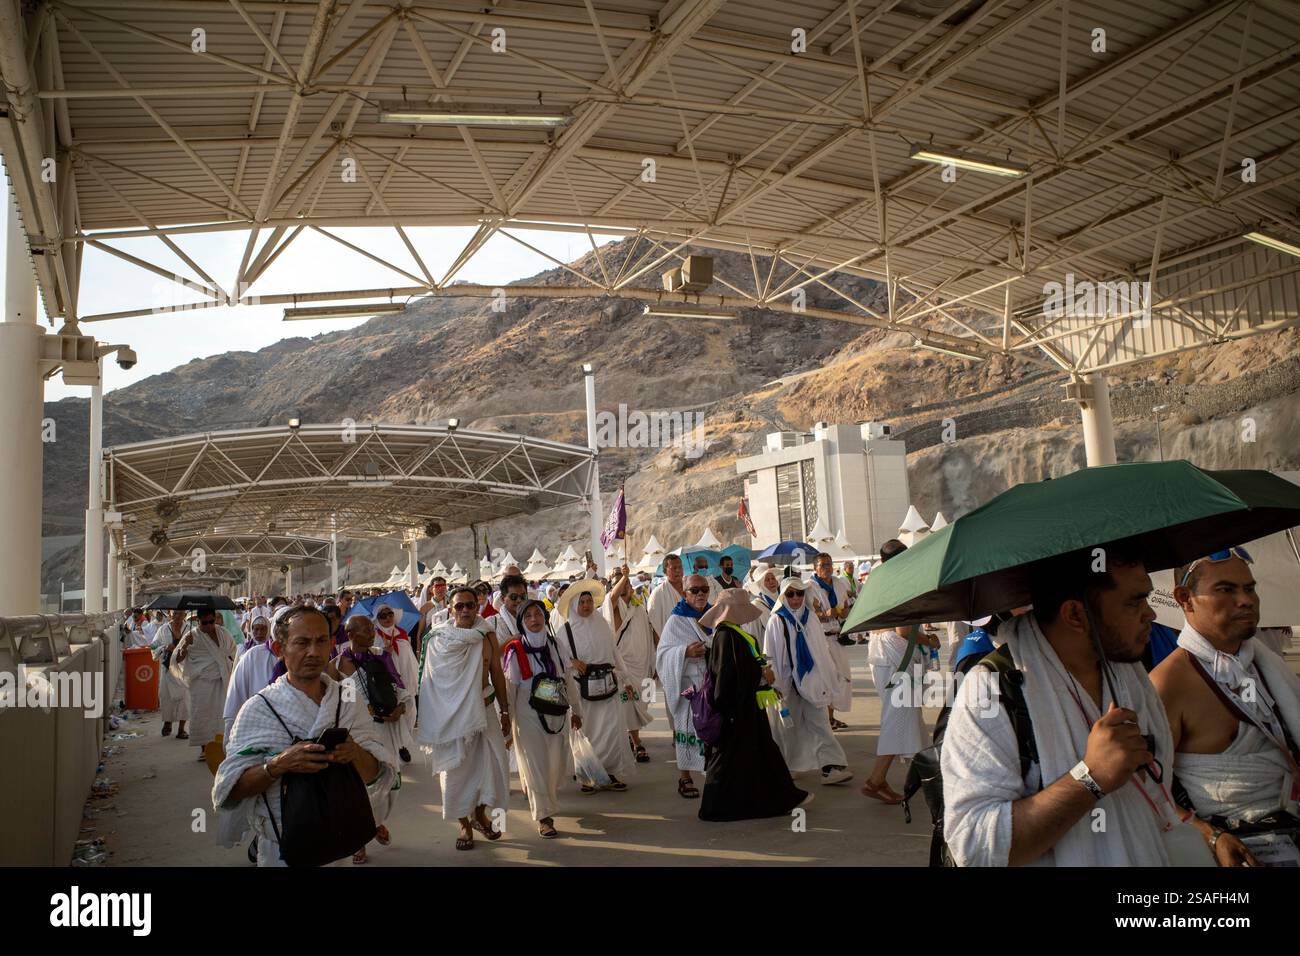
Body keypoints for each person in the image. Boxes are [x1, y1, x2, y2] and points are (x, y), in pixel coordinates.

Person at [942, 546, 1191, 866]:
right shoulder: (990, 692)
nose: (1151, 614)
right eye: (1134, 602)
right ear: (1075, 614)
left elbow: (1156, 797)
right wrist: (1090, 778)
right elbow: (974, 845)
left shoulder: (1128, 674)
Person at [212, 606, 395, 867]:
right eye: (302, 642)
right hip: (282, 849)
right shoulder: (259, 709)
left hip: (339, 842)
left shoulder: (346, 700)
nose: (313, 651)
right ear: (279, 649)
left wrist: (354, 754)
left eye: (321, 641)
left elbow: (374, 775)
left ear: (332, 644)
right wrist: (276, 767)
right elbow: (231, 789)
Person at [1151, 548, 1300, 864]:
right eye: (1225, 590)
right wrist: (1212, 836)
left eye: (1249, 588)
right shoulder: (1168, 684)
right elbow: (1146, 791)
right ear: (1184, 598)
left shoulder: (1265, 665)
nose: (1246, 599)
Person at [699, 589, 809, 820]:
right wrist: (761, 676)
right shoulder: (726, 636)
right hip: (737, 709)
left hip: (745, 705)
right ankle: (716, 807)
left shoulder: (732, 633)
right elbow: (728, 675)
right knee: (734, 757)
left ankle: (781, 797)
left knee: (757, 753)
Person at [417, 586, 512, 851]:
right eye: (460, 606)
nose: (466, 610)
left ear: (478, 606)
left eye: (470, 605)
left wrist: (505, 711)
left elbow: (496, 673)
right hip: (450, 719)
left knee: (493, 766)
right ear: (450, 609)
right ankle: (464, 824)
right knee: (454, 773)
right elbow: (432, 685)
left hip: (484, 712)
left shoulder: (486, 635)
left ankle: (479, 814)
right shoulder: (437, 638)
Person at [330, 613, 412, 862]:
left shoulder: (382, 657)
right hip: (356, 734)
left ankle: (375, 823)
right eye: (365, 629)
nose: (371, 632)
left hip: (384, 729)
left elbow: (399, 688)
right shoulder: (335, 666)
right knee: (359, 787)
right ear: (351, 634)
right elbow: (336, 705)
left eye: (371, 628)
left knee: (387, 784)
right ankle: (360, 837)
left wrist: (400, 708)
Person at [863, 540, 934, 803]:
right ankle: (875, 780)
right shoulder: (902, 582)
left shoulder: (878, 580)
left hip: (882, 654)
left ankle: (928, 774)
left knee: (909, 718)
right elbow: (905, 630)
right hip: (896, 656)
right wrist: (929, 640)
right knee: (898, 719)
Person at [763, 577, 853, 786]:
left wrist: (829, 677)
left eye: (800, 593)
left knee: (820, 723)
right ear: (784, 596)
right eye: (791, 594)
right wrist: (775, 683)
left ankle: (832, 767)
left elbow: (821, 651)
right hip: (787, 684)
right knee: (786, 727)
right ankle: (786, 765)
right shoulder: (776, 621)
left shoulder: (810, 619)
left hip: (812, 682)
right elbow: (771, 654)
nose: (795, 598)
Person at [501, 599, 579, 837]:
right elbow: (510, 689)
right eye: (528, 617)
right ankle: (543, 816)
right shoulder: (515, 651)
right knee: (536, 765)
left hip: (556, 715)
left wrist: (577, 710)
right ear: (521, 622)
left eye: (538, 615)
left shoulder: (556, 645)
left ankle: (541, 794)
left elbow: (567, 679)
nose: (534, 620)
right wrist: (508, 724)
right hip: (527, 716)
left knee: (554, 766)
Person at [557, 579, 635, 791]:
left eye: (589, 601)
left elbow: (614, 653)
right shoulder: (564, 631)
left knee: (611, 731)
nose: (586, 605)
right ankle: (586, 777)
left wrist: (626, 679)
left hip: (608, 686)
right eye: (582, 602)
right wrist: (572, 662)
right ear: (575, 605)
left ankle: (611, 774)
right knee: (586, 732)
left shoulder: (602, 625)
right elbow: (557, 658)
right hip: (581, 690)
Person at [657, 573, 715, 799]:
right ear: (685, 593)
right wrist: (685, 652)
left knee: (712, 730)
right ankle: (685, 777)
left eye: (704, 589)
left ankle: (713, 775)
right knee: (688, 729)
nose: (700, 594)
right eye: (694, 590)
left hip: (710, 683)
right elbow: (662, 655)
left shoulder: (713, 615)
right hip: (688, 687)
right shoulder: (676, 620)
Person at [603, 564, 656, 764]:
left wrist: (653, 660)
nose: (620, 580)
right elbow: (614, 598)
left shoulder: (638, 608)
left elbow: (647, 636)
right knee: (626, 703)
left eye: (622, 576)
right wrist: (624, 576)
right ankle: (636, 742)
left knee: (639, 702)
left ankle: (631, 736)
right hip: (621, 667)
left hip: (640, 665)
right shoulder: (610, 605)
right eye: (615, 577)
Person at [174, 606, 238, 761]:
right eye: (205, 623)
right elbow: (177, 660)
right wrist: (184, 646)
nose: (208, 626)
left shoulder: (223, 633)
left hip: (223, 680)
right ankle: (205, 749)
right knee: (202, 715)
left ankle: (223, 746)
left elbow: (234, 652)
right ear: (198, 621)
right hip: (202, 683)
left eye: (211, 622)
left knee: (223, 715)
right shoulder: (191, 636)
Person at [808, 552, 855, 730]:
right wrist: (824, 614)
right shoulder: (810, 587)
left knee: (841, 677)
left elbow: (846, 606)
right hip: (821, 640)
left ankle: (832, 716)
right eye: (823, 565)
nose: (827, 568)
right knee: (825, 678)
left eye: (829, 564)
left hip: (838, 636)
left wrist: (844, 613)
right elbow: (810, 613)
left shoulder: (839, 583)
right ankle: (825, 719)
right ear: (815, 568)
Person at [374, 602, 418, 762]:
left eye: (389, 614)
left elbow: (409, 657)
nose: (387, 618)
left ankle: (403, 743)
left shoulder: (402, 633)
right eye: (382, 616)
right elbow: (371, 656)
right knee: (393, 713)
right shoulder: (375, 635)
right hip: (387, 680)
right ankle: (398, 746)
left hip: (405, 677)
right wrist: (383, 652)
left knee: (410, 711)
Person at [223, 616, 279, 741]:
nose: (259, 633)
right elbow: (236, 675)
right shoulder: (244, 649)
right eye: (256, 629)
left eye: (263, 629)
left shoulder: (276, 652)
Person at [150, 609, 191, 739]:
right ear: (170, 614)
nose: (178, 616)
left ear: (185, 615)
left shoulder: (190, 629)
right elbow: (153, 646)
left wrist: (187, 647)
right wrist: (165, 647)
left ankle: (181, 729)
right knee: (167, 697)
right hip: (168, 669)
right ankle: (167, 722)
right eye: (175, 613)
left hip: (185, 669)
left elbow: (197, 647)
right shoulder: (163, 629)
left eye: (181, 613)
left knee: (185, 699)